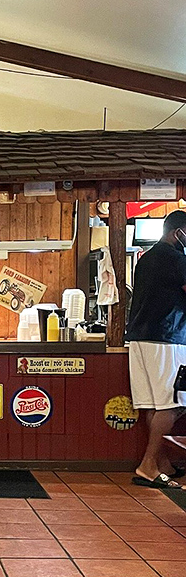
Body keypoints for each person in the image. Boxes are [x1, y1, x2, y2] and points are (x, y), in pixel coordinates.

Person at [127, 209, 186, 488]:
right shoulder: (176, 259)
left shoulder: (146, 258)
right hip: (167, 336)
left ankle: (161, 463)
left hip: (139, 338)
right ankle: (148, 465)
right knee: (173, 405)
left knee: (154, 404)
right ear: (179, 233)